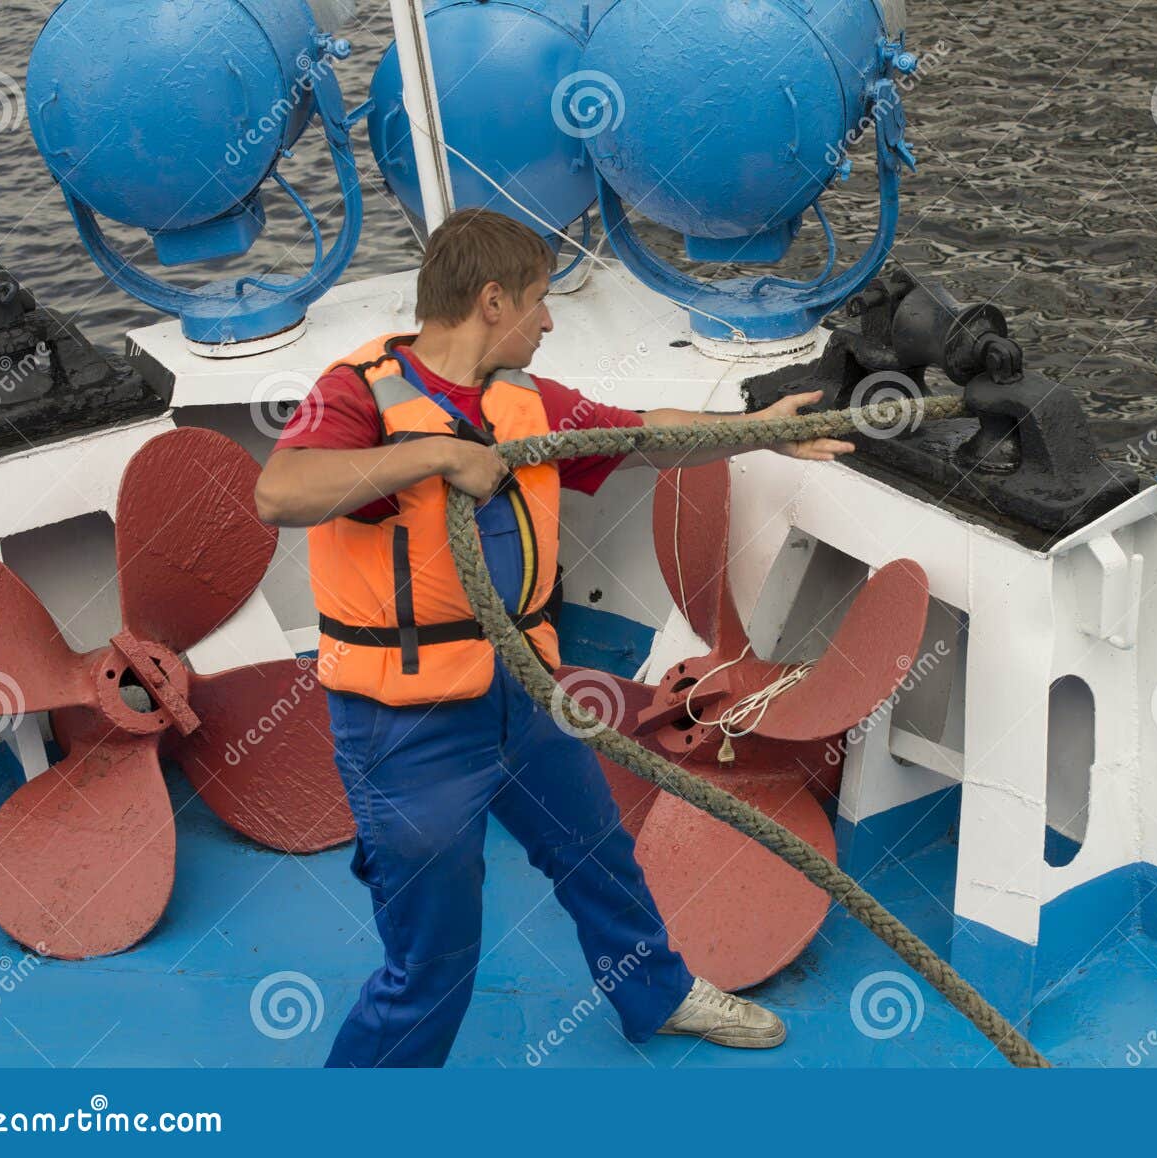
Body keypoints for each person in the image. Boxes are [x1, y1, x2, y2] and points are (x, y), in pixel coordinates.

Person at [254, 207, 854, 1067]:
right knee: (433, 958)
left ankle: (658, 991)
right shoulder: (360, 391)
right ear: (492, 301)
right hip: (407, 725)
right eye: (538, 302)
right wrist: (434, 457)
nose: (549, 319)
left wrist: (769, 434)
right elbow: (282, 492)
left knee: (598, 852)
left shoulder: (527, 401)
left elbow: (643, 435)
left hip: (526, 693)